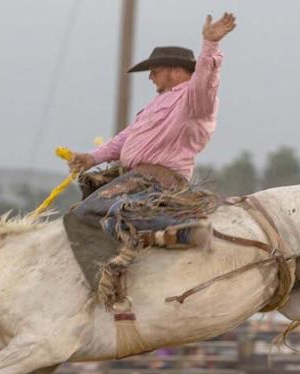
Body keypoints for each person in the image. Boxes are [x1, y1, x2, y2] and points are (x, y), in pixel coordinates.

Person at [66, 12, 237, 251]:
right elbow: (125, 139)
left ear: (176, 71)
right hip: (142, 177)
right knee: (86, 208)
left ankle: (181, 228)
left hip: (155, 180)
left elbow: (206, 80)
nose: (150, 77)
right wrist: (91, 158)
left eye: (155, 71)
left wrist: (210, 44)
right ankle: (154, 236)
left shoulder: (194, 100)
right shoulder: (159, 103)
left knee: (86, 212)